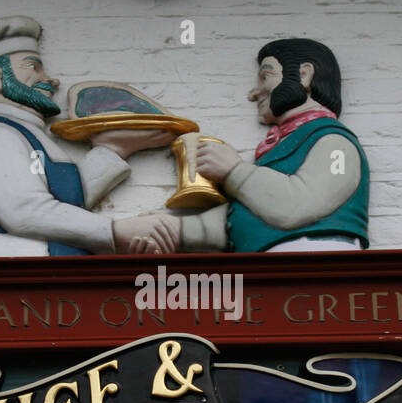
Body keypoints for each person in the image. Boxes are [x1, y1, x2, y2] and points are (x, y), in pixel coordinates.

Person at [0, 16, 177, 258]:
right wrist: (116, 230)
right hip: (5, 263)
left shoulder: (20, 133)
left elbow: (61, 204)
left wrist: (113, 149)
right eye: (34, 68)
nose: (50, 80)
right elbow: (26, 211)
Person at [157, 37, 369, 254]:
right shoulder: (279, 148)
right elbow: (242, 217)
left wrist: (234, 171)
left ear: (304, 75)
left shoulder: (335, 144)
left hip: (318, 271)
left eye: (265, 77)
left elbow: (299, 206)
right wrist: (167, 230)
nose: (253, 93)